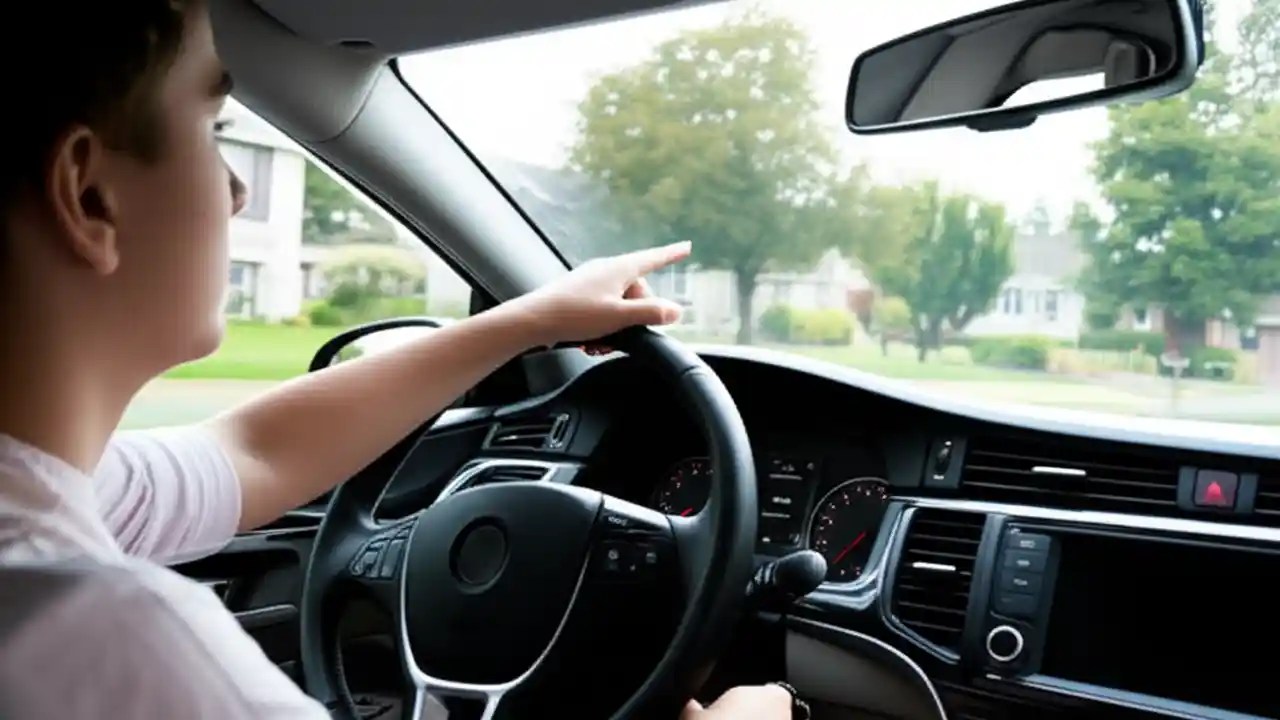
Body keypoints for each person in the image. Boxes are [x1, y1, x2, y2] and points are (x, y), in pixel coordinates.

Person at [0, 2, 797, 719]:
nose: (238, 190)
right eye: (211, 129)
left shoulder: (47, 507)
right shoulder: (114, 647)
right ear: (90, 195)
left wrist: (526, 320)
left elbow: (250, 452)